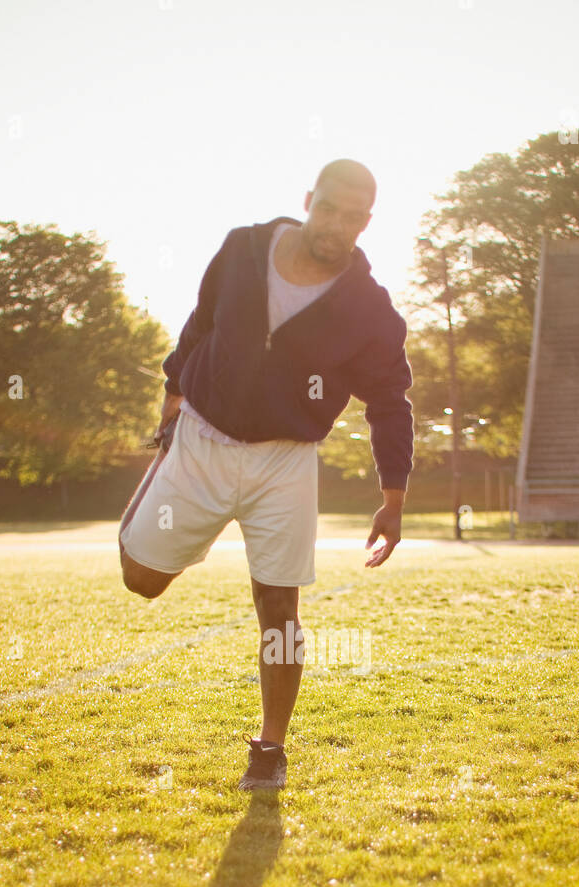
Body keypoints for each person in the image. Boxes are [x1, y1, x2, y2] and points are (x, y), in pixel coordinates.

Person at [119, 158, 414, 790]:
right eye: (328, 207)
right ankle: (155, 479)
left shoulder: (370, 309)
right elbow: (200, 324)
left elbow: (390, 402)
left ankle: (271, 747)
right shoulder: (244, 247)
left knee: (279, 605)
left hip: (285, 458)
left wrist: (393, 498)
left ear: (367, 223)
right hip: (201, 436)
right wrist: (173, 395)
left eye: (353, 216)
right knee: (141, 580)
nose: (336, 224)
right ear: (309, 198)